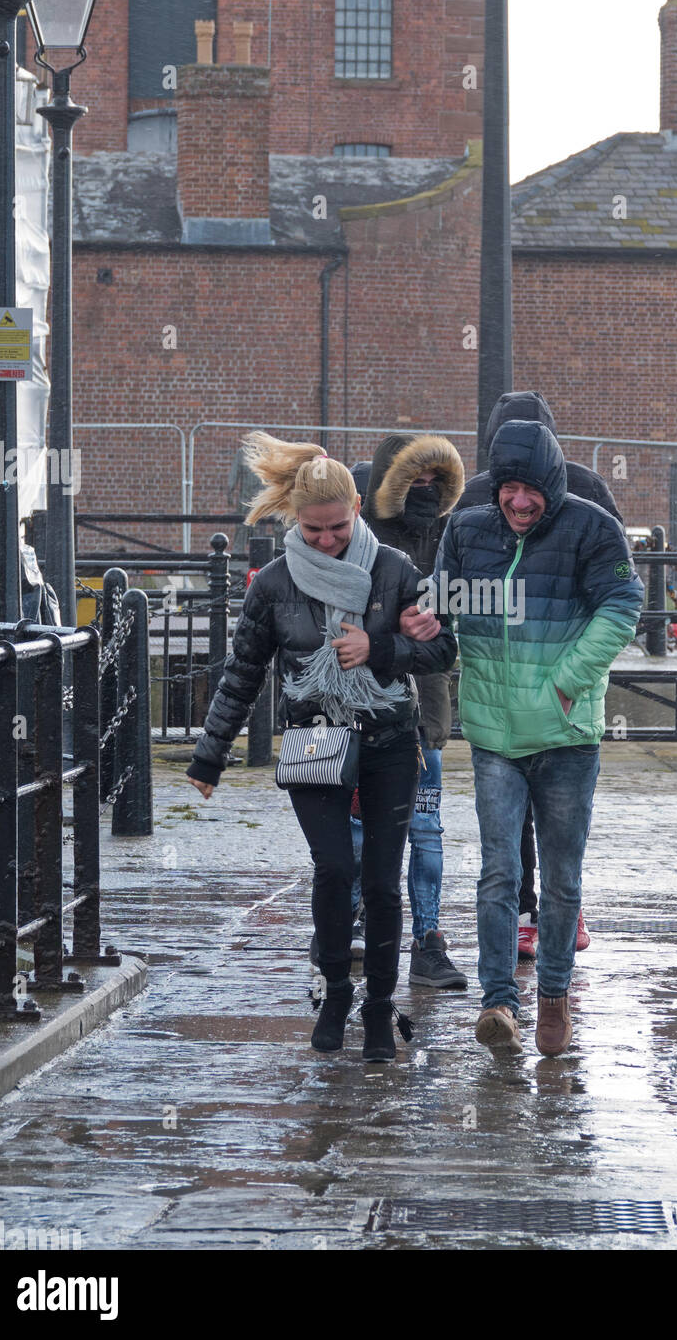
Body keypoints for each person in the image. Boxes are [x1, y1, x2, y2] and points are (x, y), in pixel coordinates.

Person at [186, 435, 456, 1063]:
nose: (327, 540)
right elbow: (243, 673)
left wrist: (381, 649)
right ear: (294, 520)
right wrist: (210, 755)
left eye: (337, 527)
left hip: (390, 740)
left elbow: (443, 652)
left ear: (357, 507)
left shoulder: (393, 572)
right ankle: (337, 990)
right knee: (336, 868)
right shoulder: (274, 585)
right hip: (315, 742)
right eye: (313, 530)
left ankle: (380, 1008)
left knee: (385, 883)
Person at [403, 418, 643, 1056]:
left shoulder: (592, 529)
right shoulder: (468, 530)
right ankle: (498, 1003)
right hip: (494, 734)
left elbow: (623, 606)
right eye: (508, 488)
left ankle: (554, 995)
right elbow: (443, 607)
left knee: (562, 880)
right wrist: (423, 625)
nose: (518, 501)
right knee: (498, 871)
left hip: (567, 734)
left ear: (551, 485)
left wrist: (568, 678)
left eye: (530, 489)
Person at [453, 391, 624, 960]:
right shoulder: (586, 488)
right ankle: (556, 917)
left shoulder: (478, 493)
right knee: (560, 830)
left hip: (512, 680)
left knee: (512, 830)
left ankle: (529, 915)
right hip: (551, 672)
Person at [362, 433, 468, 990]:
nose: (424, 491)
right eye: (413, 481)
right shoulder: (361, 539)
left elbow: (459, 621)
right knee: (361, 826)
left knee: (425, 828)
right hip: (364, 704)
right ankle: (357, 923)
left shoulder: (452, 539)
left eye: (435, 482)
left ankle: (427, 940)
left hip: (425, 705)